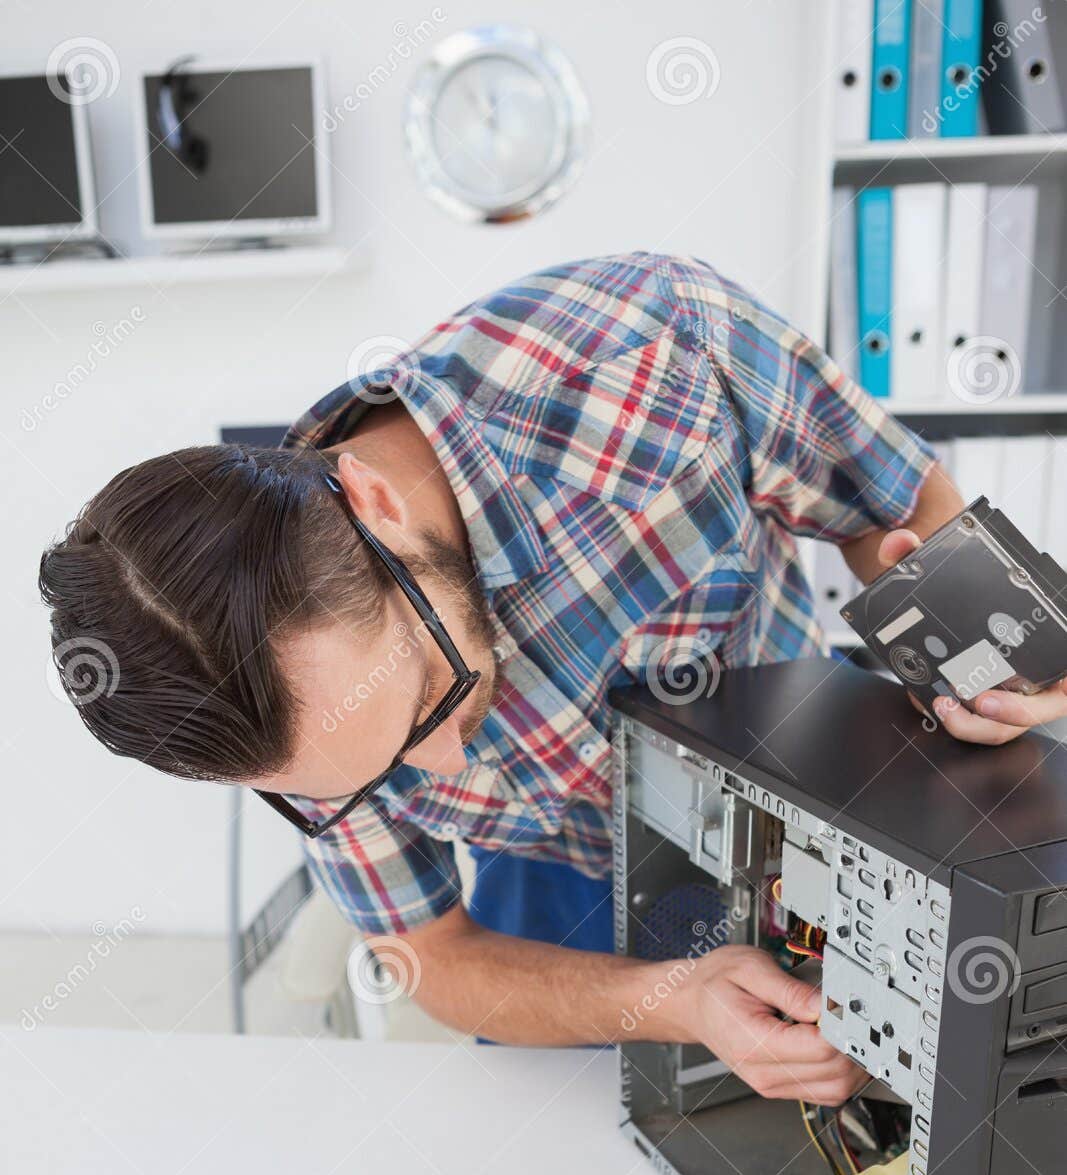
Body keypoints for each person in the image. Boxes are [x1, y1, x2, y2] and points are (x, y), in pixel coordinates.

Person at [38, 253, 1067, 1097]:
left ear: (375, 504)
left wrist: (982, 673)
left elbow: (891, 503)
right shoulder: (265, 701)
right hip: (551, 882)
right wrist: (671, 1001)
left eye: (427, 703)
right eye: (371, 777)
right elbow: (434, 955)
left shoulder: (654, 355)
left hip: (813, 784)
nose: (446, 767)